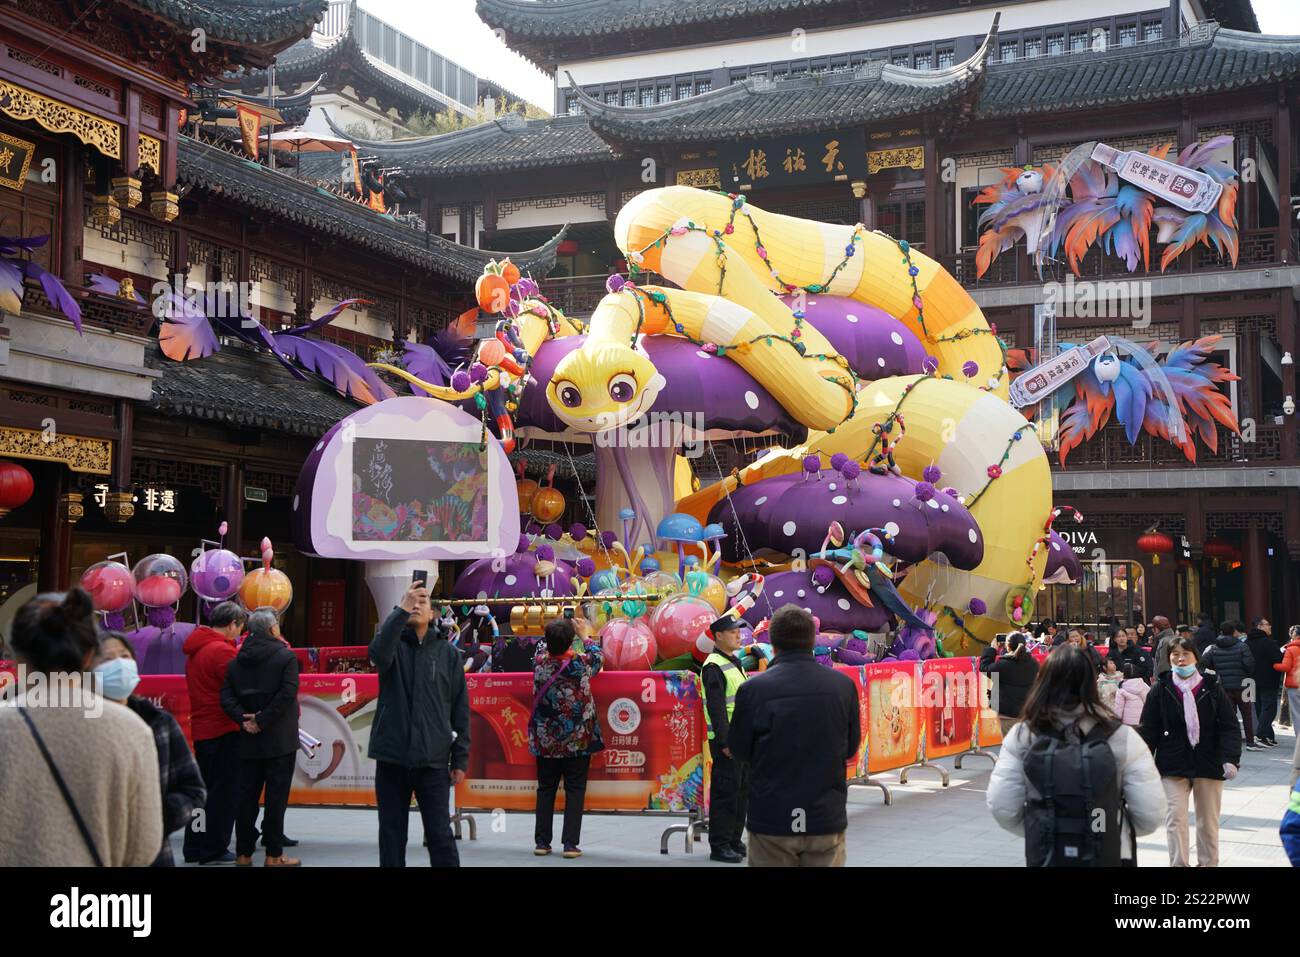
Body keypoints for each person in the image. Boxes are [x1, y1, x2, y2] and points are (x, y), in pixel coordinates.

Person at [0, 589, 162, 866]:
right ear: (89, 656)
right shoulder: (132, 730)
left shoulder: (5, 724)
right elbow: (144, 847)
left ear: (17, 657)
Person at [986, 647, 1165, 867]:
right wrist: (1112, 825)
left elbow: (1002, 807)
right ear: (1091, 684)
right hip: (1110, 851)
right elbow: (1150, 813)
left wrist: (1042, 828)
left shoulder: (1024, 735)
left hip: (1047, 853)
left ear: (1043, 683)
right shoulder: (1121, 736)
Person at [729, 605, 859, 867]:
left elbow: (740, 750)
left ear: (772, 643)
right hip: (824, 816)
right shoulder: (843, 686)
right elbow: (851, 747)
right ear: (813, 640)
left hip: (772, 818)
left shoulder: (752, 690)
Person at [368, 579, 469, 867]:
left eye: (421, 602)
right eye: (410, 602)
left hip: (433, 759)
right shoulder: (392, 647)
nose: (415, 606)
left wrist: (460, 757)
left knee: (439, 834)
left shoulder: (448, 654)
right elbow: (376, 654)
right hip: (392, 756)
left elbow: (460, 708)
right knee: (391, 833)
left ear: (433, 614)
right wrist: (400, 610)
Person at [98, 631, 206, 866]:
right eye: (106, 659)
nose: (119, 664)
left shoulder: (158, 722)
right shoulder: (79, 726)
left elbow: (193, 791)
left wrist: (153, 818)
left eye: (125, 656)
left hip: (151, 854)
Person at [1138, 635, 1241, 867]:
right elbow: (1148, 730)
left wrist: (1230, 759)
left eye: (1186, 654)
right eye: (1175, 655)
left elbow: (1229, 726)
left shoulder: (1212, 687)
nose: (1181, 660)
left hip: (1209, 762)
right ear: (1169, 659)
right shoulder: (1161, 689)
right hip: (1172, 764)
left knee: (1207, 823)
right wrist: (1142, 764)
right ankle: (1179, 864)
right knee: (1175, 818)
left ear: (1196, 657)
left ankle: (1207, 864)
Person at [221, 607, 301, 867]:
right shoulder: (285, 658)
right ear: (273, 629)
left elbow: (226, 697)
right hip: (279, 739)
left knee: (246, 798)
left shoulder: (236, 660)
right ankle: (273, 854)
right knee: (276, 799)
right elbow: (287, 694)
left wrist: (245, 719)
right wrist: (263, 719)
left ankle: (243, 853)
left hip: (247, 740)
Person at [528, 615, 603, 859]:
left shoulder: (539, 664)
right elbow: (599, 657)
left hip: (546, 740)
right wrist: (584, 635)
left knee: (546, 788)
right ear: (571, 642)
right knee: (575, 789)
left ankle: (542, 842)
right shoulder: (580, 664)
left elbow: (545, 648)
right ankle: (570, 844)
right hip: (578, 740)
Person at [182, 601, 247, 865]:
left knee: (203, 791)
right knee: (223, 793)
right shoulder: (222, 652)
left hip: (202, 726)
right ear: (232, 625)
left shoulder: (197, 648)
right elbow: (239, 686)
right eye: (240, 627)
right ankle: (215, 847)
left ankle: (195, 845)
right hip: (223, 727)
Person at [700, 615, 750, 863]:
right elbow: (717, 710)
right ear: (718, 636)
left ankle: (733, 840)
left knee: (741, 793)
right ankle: (719, 846)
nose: (738, 635)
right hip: (728, 742)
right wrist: (726, 743)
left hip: (741, 739)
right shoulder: (713, 666)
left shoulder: (733, 661)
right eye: (732, 632)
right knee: (726, 794)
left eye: (738, 631)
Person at [1200, 621, 1259, 752]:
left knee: (1228, 715)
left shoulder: (1213, 648)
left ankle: (1231, 741)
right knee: (1247, 714)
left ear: (1220, 632)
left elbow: (1202, 663)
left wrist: (1214, 671)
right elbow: (1250, 664)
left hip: (1223, 686)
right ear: (1234, 632)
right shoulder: (1242, 646)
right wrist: (1245, 673)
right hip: (1244, 684)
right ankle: (1250, 742)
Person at [980, 631, 1038, 736]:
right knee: (1024, 744)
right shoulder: (1034, 664)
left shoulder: (1003, 665)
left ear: (1008, 646)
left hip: (1007, 712)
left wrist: (992, 649)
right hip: (1027, 711)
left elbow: (985, 667)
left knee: (1011, 745)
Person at [1245, 617, 1282, 748]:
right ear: (1259, 626)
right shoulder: (1268, 643)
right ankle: (1260, 735)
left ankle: (1268, 736)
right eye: (1267, 625)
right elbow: (1278, 659)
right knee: (1269, 709)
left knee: (1260, 708)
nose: (1270, 627)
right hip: (1268, 680)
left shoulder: (1246, 642)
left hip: (1250, 681)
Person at [1275, 625, 1300, 744]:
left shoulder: (1289, 649)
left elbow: (1285, 667)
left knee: (1296, 713)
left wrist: (1274, 665)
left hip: (1294, 685)